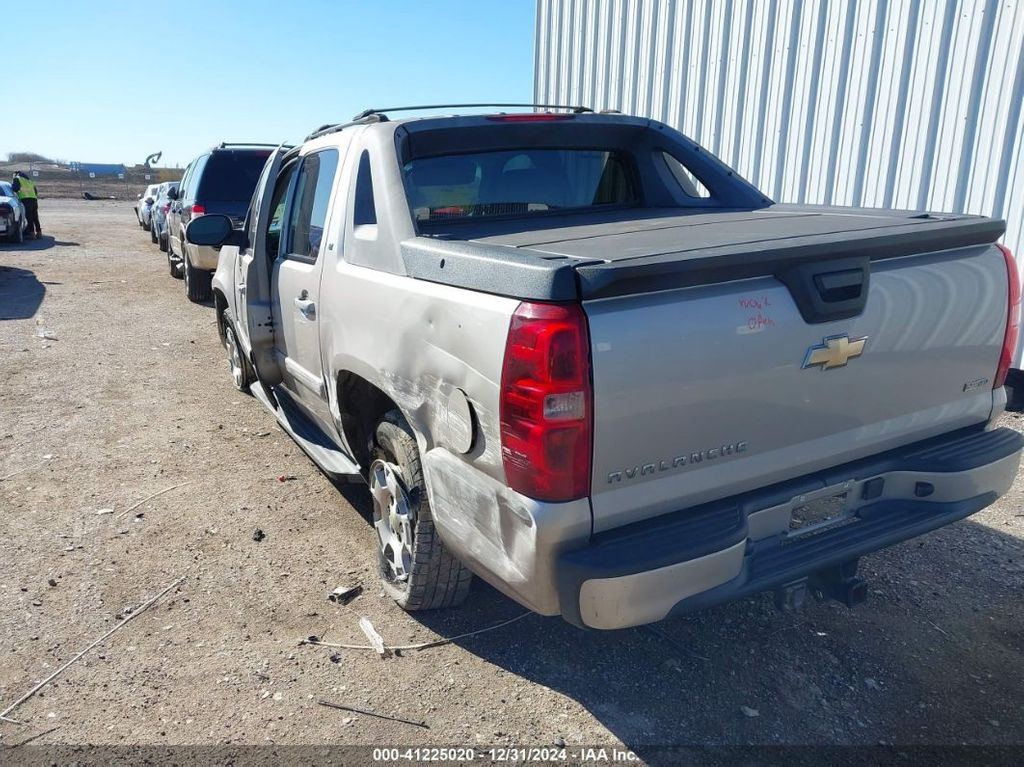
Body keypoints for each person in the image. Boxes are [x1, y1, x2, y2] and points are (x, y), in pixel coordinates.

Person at [12, 171, 41, 239]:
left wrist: (12, 185)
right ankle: (39, 233)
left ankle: (32, 234)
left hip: (26, 200)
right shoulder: (29, 180)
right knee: (35, 217)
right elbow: (35, 191)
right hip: (34, 200)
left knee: (29, 217)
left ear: (15, 174)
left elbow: (15, 189)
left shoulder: (17, 178)